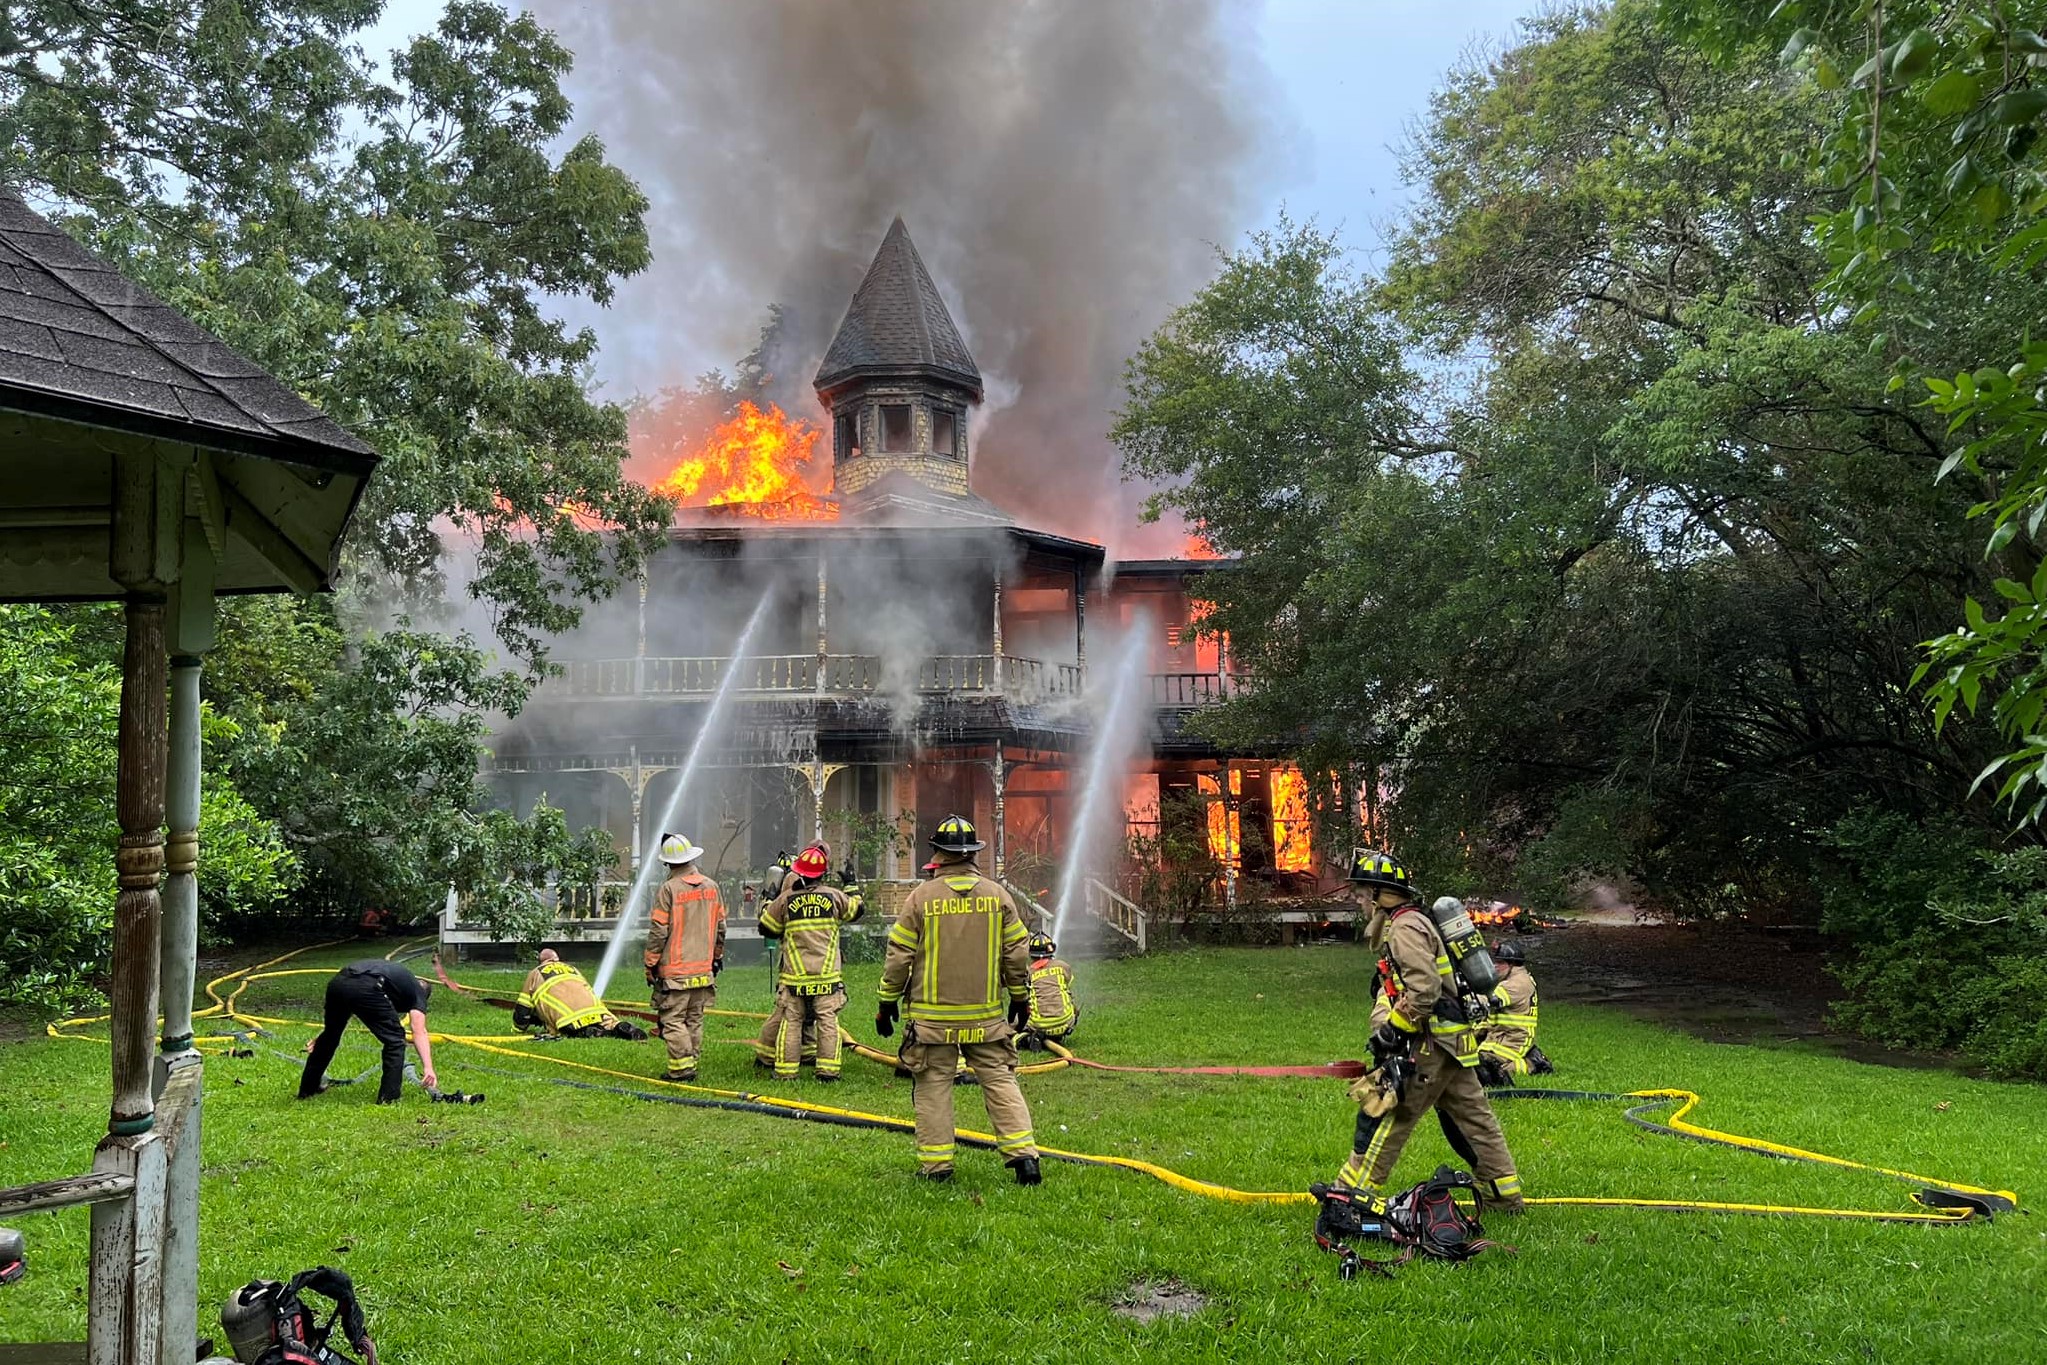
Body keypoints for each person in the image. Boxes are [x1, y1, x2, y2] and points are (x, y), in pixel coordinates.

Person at [1320, 851, 1523, 1228]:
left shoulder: (1406, 928)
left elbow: (1425, 992)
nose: (1359, 900)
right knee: (1474, 1121)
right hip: (1452, 1045)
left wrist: (1393, 1031)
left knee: (1385, 1115)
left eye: (1363, 893)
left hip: (1429, 1045)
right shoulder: (1414, 922)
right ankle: (1502, 1194)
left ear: (1382, 894)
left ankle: (1350, 1198)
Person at [875, 814, 1041, 1184]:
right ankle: (1025, 1158)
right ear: (972, 854)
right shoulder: (998, 896)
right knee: (999, 1079)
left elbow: (899, 955)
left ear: (938, 853)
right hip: (986, 1019)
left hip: (933, 1023)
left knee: (934, 1086)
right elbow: (1017, 952)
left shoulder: (921, 898)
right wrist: (1019, 995)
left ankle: (937, 1167)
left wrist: (886, 1003)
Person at [754, 843, 863, 1081]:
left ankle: (785, 1072)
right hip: (827, 976)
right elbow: (857, 910)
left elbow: (767, 928)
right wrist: (851, 885)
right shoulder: (834, 897)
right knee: (827, 1021)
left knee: (791, 1021)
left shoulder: (786, 900)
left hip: (795, 976)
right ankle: (828, 1072)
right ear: (823, 874)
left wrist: (768, 900)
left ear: (798, 872)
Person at [644, 833, 726, 1083]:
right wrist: (716, 956)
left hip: (675, 971)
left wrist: (650, 963)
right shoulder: (712, 887)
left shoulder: (669, 889)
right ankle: (691, 1061)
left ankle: (681, 1069)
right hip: (703, 969)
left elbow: (659, 930)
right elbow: (721, 927)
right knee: (694, 1017)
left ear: (668, 863)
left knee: (673, 1019)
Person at [299, 958, 437, 1104]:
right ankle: (389, 1098)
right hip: (367, 985)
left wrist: (323, 1038)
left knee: (331, 1035)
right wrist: (428, 1068)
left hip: (339, 981)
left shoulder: (398, 979)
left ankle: (308, 1089)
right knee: (395, 1040)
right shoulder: (418, 991)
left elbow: (354, 998)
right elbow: (419, 1030)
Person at [515, 949, 647, 1040]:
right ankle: (621, 1027)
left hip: (567, 1017)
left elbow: (523, 1008)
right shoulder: (572, 969)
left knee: (573, 1029)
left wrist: (518, 1029)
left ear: (541, 962)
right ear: (557, 959)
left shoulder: (535, 973)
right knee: (608, 1023)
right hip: (596, 1010)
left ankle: (590, 1032)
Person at [1476, 939, 1550, 1085]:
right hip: (1499, 1036)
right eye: (1494, 961)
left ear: (1512, 964)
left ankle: (1533, 1064)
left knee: (1489, 1070)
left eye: (1500, 963)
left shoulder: (1518, 983)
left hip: (1512, 1041)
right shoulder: (1511, 978)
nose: (1494, 966)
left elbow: (1491, 999)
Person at [1019, 932, 1078, 1050]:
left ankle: (1029, 1038)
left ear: (1031, 954)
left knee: (1025, 1008)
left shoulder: (1029, 972)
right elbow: (1067, 985)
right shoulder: (1062, 966)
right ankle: (1057, 1037)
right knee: (1071, 1002)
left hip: (1039, 1025)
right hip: (1065, 1022)